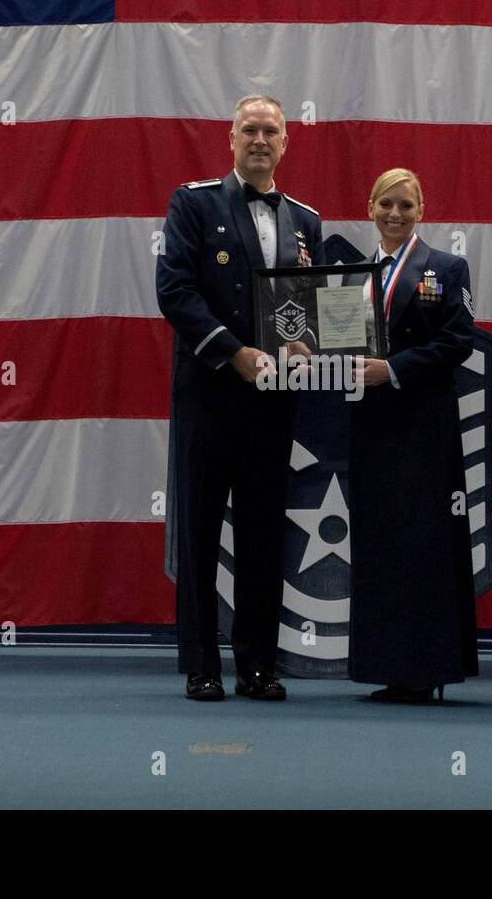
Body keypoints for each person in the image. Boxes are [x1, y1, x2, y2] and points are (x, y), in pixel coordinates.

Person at [157, 95, 324, 701]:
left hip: (273, 403)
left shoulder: (306, 219)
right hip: (210, 394)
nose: (260, 140)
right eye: (249, 130)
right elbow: (175, 291)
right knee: (200, 533)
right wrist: (235, 352)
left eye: (270, 132)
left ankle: (257, 664)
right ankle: (202, 663)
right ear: (230, 139)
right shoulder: (193, 202)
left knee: (262, 536)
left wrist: (304, 343)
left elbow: (304, 310)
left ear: (286, 144)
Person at [346, 168, 479, 703]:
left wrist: (393, 369)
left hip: (425, 428)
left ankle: (426, 667)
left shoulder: (447, 267)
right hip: (371, 427)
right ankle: (388, 665)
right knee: (380, 545)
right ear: (369, 207)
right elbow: (341, 343)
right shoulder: (353, 274)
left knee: (424, 545)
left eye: (405, 205)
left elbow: (459, 340)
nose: (395, 214)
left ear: (421, 209)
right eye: (386, 204)